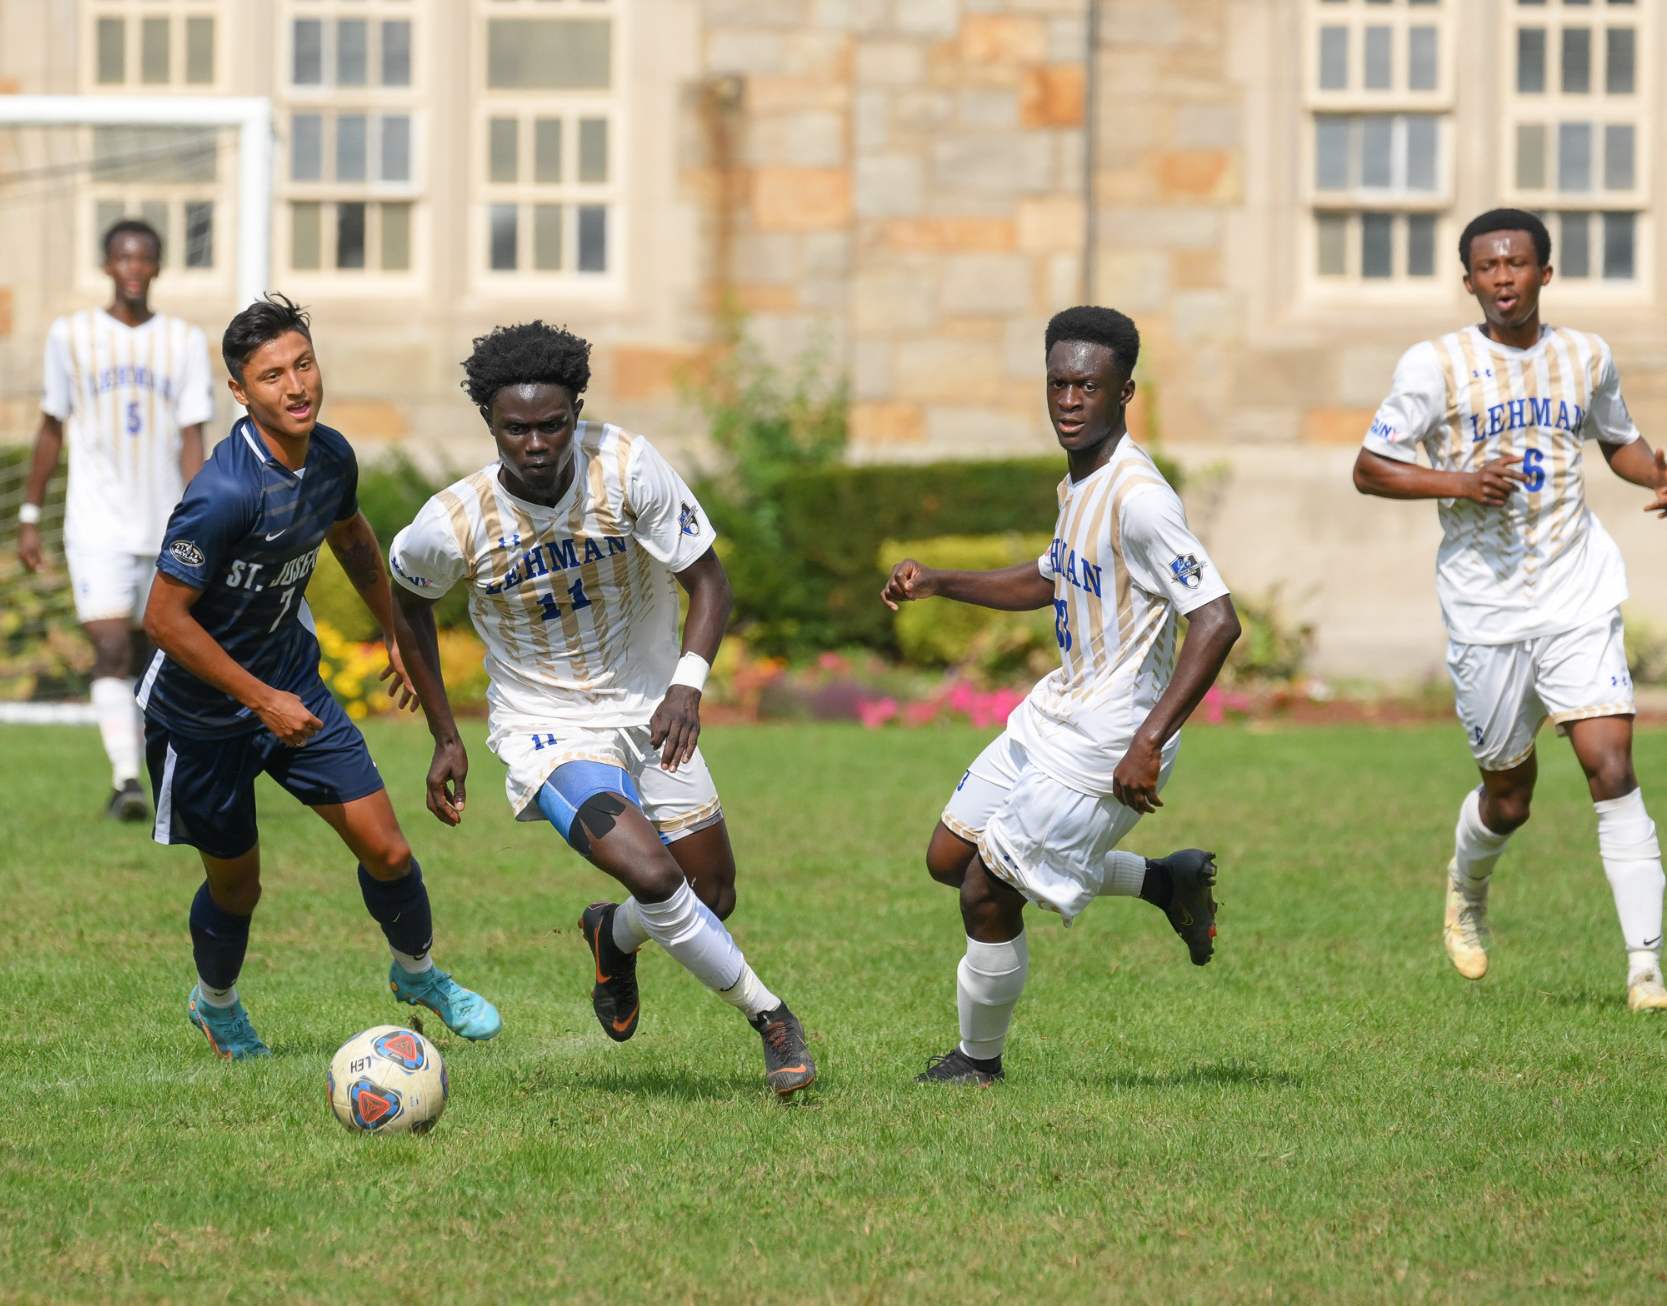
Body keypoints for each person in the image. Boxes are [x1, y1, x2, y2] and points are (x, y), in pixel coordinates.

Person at [384, 321, 817, 1097]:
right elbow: (408, 603)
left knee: (710, 895)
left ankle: (610, 934)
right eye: (516, 429)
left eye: (553, 424)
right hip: (545, 726)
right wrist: (446, 736)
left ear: (576, 411)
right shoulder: (452, 522)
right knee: (652, 872)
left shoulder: (626, 467)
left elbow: (709, 583)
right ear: (489, 423)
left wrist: (686, 685)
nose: (536, 444)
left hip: (651, 704)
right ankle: (773, 1018)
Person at [881, 306, 1241, 1087]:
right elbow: (1051, 576)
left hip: (1111, 736)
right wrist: (940, 581)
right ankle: (1164, 881)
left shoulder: (1140, 498)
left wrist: (1146, 743)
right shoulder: (1079, 481)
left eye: (1088, 386)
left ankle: (978, 1063)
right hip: (1059, 709)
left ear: (1125, 392)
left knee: (986, 892)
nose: (1070, 400)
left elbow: (1217, 621)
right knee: (950, 857)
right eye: (1058, 384)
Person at [139, 294, 500, 1060]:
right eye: (272, 376)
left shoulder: (330, 456)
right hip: (202, 719)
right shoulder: (223, 494)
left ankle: (417, 974)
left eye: (303, 364)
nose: (296, 386)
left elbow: (351, 535)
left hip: (293, 688)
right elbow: (164, 620)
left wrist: (393, 631)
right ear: (240, 391)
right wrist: (260, 700)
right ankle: (216, 1005)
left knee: (389, 851)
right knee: (239, 888)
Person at [1353, 208, 1667, 1012]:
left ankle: (1645, 969)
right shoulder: (1434, 365)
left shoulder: (1586, 355)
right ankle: (1466, 887)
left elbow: (1618, 440)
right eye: (1488, 266)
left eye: (1517, 263)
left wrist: (1658, 472)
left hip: (1576, 587)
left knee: (1612, 766)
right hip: (1484, 607)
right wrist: (1461, 481)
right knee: (1510, 797)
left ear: (1544, 273)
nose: (1503, 277)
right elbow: (1371, 468)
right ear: (1469, 281)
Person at [20, 218, 213, 822]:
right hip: (96, 524)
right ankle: (127, 779)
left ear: (157, 267)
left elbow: (193, 436)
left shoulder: (183, 340)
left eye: (144, 258)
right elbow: (51, 426)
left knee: (155, 658)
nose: (134, 268)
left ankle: (165, 778)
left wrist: (204, 516)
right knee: (109, 647)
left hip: (165, 526)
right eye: (124, 258)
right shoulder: (71, 335)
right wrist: (29, 514)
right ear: (107, 266)